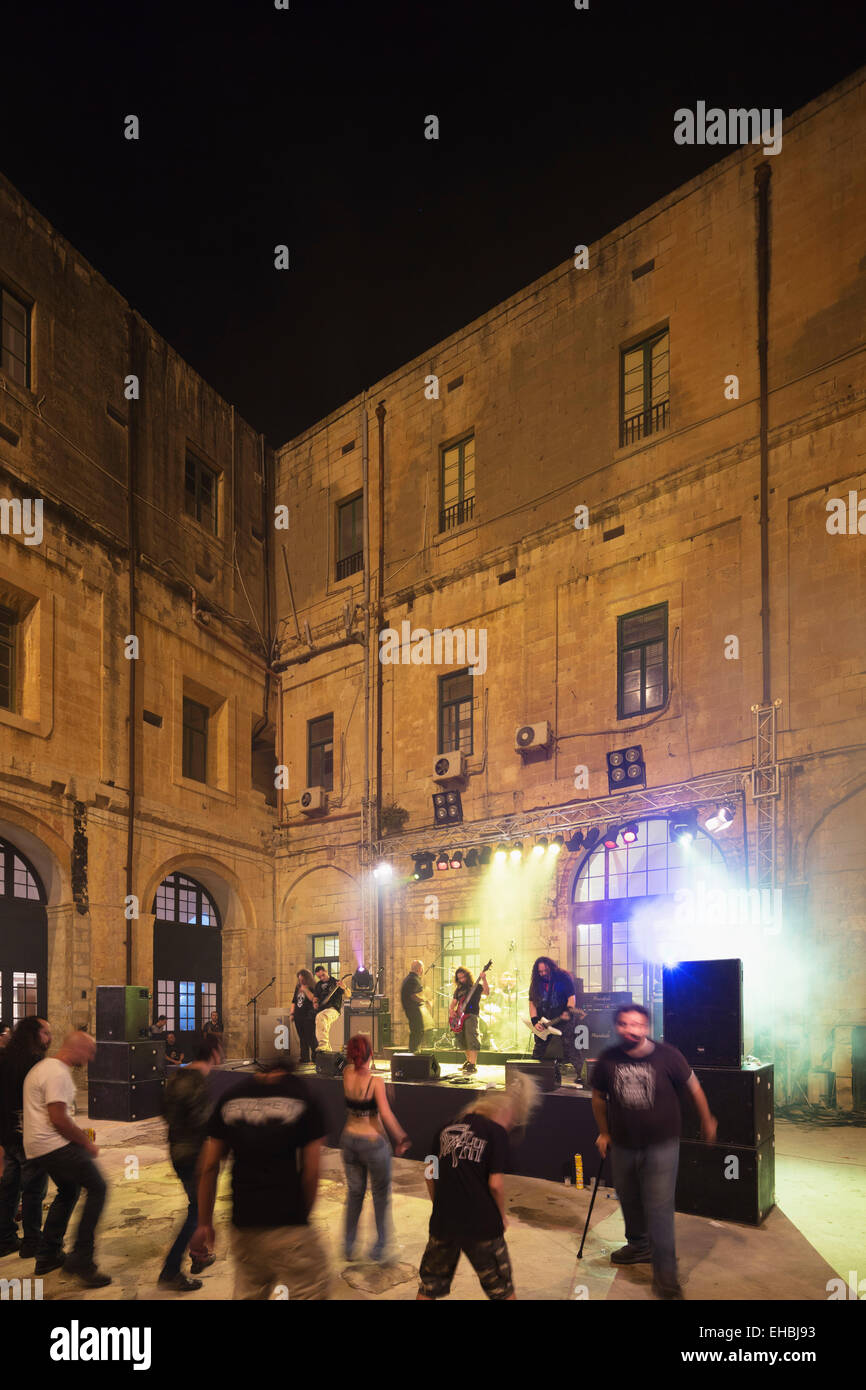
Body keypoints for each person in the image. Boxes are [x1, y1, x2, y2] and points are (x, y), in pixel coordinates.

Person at [591, 1003, 717, 1300]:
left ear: (646, 1027)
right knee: (629, 1198)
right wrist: (604, 1131)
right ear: (617, 1027)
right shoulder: (608, 1059)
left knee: (659, 1208)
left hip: (661, 1145)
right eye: (624, 1024)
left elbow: (694, 1087)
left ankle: (666, 1277)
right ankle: (639, 1246)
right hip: (623, 1144)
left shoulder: (668, 1055)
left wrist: (707, 1118)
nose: (631, 1030)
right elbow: (598, 1098)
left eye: (637, 1024)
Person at [190, 1058, 331, 1300]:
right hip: (287, 1222)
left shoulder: (231, 1096)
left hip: (244, 1224)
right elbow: (311, 1170)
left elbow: (210, 1165)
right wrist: (300, 1216)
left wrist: (204, 1223)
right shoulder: (305, 1095)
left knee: (249, 1291)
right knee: (311, 1288)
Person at [417, 1071, 541, 1301]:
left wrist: (441, 1204)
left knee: (429, 1286)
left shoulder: (445, 1127)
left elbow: (428, 1172)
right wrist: (501, 1216)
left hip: (444, 1222)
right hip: (482, 1225)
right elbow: (495, 1184)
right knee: (502, 1290)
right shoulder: (496, 1132)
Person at [23, 1030, 111, 1286]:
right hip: (53, 1145)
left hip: (39, 1145)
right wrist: (85, 1143)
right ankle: (82, 1260)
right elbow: (58, 1118)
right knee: (98, 1187)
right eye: (90, 1051)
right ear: (77, 1048)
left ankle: (48, 1255)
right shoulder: (58, 1072)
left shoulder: (45, 1068)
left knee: (69, 1190)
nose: (91, 1058)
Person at [158, 1036, 223, 1291]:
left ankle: (199, 1255)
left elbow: (165, 1113)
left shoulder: (176, 1078)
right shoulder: (198, 1084)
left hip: (176, 1150)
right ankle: (171, 1270)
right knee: (197, 1212)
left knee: (197, 1206)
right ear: (215, 1054)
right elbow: (204, 1125)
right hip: (194, 1156)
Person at [340, 1033, 410, 1262]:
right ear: (371, 1054)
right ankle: (379, 1247)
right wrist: (401, 1137)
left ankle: (349, 1247)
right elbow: (386, 1115)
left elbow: (359, 1093)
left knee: (355, 1194)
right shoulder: (376, 1082)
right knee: (380, 1196)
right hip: (372, 1144)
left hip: (349, 1141)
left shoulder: (346, 1074)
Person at [0, 1016, 51, 1257]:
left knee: (9, 1186)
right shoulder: (34, 1062)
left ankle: (5, 1237)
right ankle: (32, 1241)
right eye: (45, 1033)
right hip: (27, 1134)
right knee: (33, 1188)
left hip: (7, 1133)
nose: (49, 1038)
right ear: (34, 1035)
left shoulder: (4, 1058)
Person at [528, 956, 584, 1064]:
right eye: (540, 972)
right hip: (544, 1021)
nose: (543, 973)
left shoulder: (563, 978)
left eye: (545, 971)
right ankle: (535, 1073)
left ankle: (580, 1074)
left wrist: (568, 1011)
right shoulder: (536, 982)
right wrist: (535, 1022)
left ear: (551, 968)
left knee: (571, 1047)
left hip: (562, 1018)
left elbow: (571, 998)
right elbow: (532, 1004)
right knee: (539, 1049)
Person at [449, 966, 489, 1075]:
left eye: (463, 977)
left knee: (472, 1038)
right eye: (459, 978)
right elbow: (453, 1004)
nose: (462, 980)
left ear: (467, 976)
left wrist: (484, 979)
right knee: (462, 1040)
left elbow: (486, 992)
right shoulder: (458, 990)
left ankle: (473, 1064)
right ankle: (468, 1061)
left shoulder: (475, 987)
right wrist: (451, 1010)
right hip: (460, 1017)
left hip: (471, 1015)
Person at [401, 960, 432, 1053]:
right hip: (413, 1010)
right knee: (417, 1031)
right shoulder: (413, 979)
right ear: (420, 969)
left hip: (410, 1010)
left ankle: (414, 1051)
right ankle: (414, 1052)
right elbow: (413, 996)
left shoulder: (409, 978)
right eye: (422, 969)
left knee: (416, 1031)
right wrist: (425, 1000)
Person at [312, 965, 343, 1053]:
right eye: (319, 977)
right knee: (322, 1026)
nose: (322, 978)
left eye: (323, 975)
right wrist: (315, 1003)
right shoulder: (318, 985)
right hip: (322, 1010)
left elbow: (348, 994)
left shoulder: (336, 982)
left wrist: (344, 987)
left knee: (321, 1017)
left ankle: (323, 1045)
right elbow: (315, 998)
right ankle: (327, 1050)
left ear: (326, 971)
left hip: (333, 1010)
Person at [291, 970, 317, 1063]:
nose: (301, 981)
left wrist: (305, 989)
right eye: (299, 979)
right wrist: (292, 1013)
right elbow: (294, 1001)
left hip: (308, 1016)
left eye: (302, 979)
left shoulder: (313, 986)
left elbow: (313, 999)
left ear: (307, 978)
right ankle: (304, 1058)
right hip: (298, 1016)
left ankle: (315, 1058)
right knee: (302, 1038)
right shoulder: (298, 987)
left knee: (311, 1038)